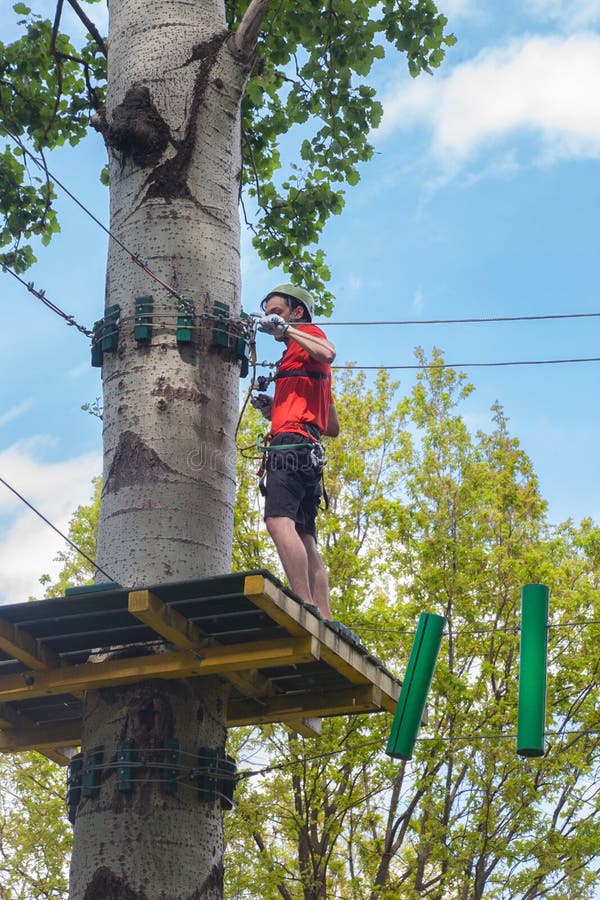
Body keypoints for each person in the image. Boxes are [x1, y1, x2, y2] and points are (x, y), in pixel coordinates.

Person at [252, 284, 339, 620]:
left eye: (278, 312)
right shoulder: (299, 359)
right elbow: (331, 425)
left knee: (278, 522)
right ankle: (326, 616)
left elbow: (328, 352)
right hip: (309, 448)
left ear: (297, 312)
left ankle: (304, 603)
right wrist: (276, 405)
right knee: (304, 535)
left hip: (291, 445)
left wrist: (287, 330)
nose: (271, 320)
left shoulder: (309, 336)